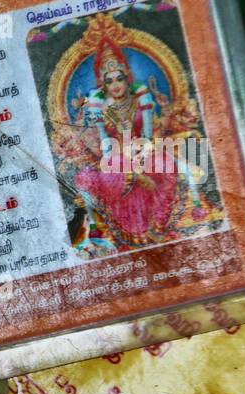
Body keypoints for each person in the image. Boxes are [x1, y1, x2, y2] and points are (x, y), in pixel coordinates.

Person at [72, 37, 182, 248]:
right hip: (116, 157)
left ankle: (158, 223)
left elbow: (148, 136)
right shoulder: (99, 105)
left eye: (119, 78)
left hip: (142, 149)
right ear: (103, 84)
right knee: (118, 174)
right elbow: (105, 145)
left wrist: (141, 154)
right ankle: (135, 230)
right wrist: (134, 169)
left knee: (167, 166)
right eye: (109, 80)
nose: (115, 85)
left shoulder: (140, 98)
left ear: (127, 79)